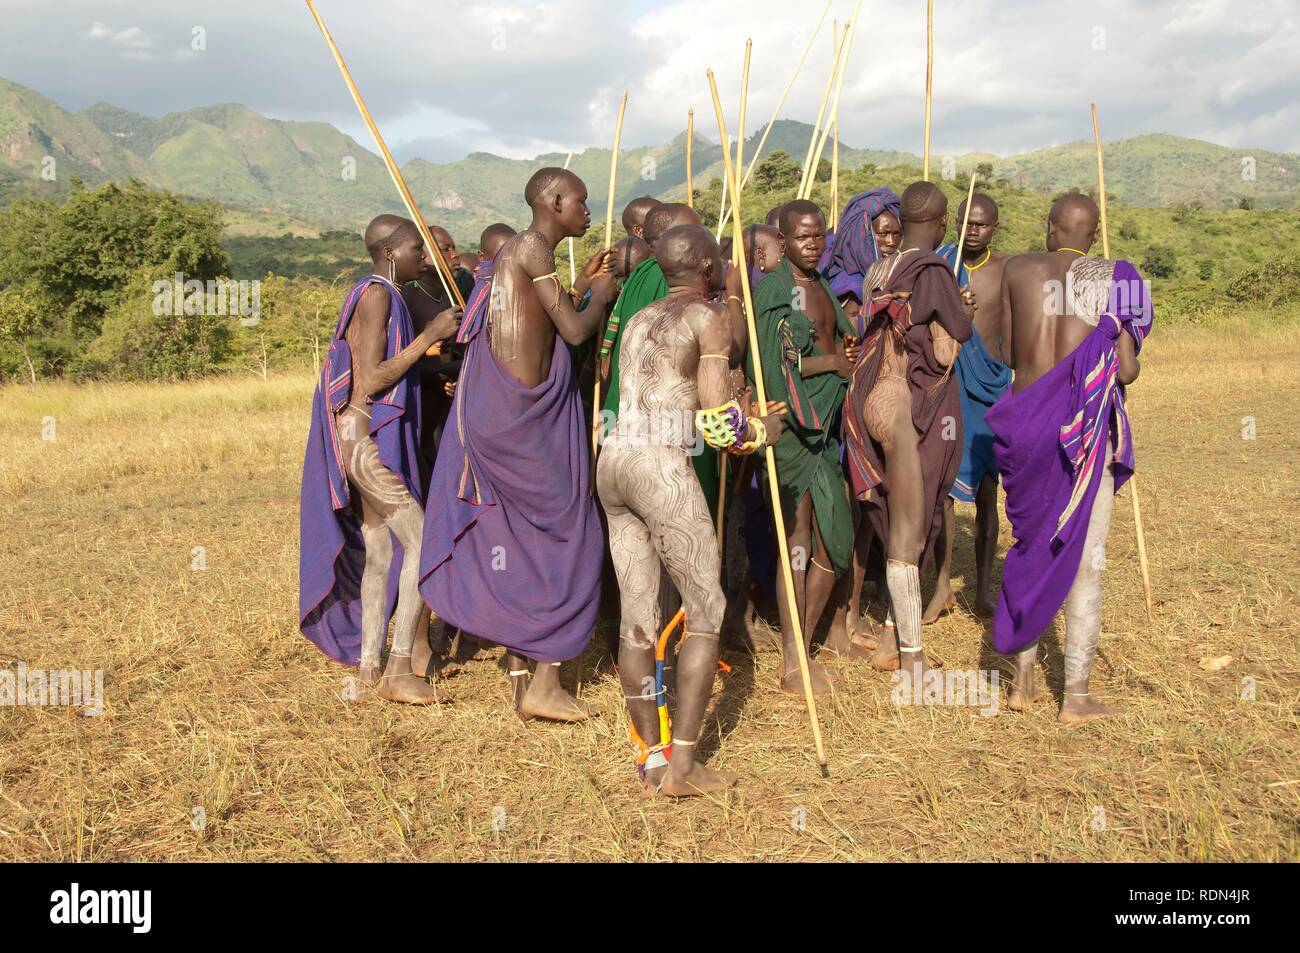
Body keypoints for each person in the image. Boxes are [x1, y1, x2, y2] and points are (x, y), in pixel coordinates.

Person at [419, 169, 617, 721]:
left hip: (506, 417)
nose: (587, 210)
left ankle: (520, 678)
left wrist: (581, 290)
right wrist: (601, 294)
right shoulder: (532, 246)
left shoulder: (518, 255)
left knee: (515, 536)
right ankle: (545, 681)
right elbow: (575, 333)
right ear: (553, 201)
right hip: (522, 424)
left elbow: (542, 323)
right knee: (570, 535)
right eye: (580, 200)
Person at [598, 223, 785, 795]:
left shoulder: (638, 318)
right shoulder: (708, 318)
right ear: (709, 268)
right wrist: (762, 430)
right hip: (659, 468)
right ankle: (681, 767)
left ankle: (651, 759)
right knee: (705, 610)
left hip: (613, 462)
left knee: (638, 617)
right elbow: (718, 425)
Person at [990, 193, 1152, 723]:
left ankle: (1021, 681)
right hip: (1082, 436)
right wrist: (1110, 331)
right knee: (1086, 564)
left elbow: (1011, 352)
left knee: (1031, 544)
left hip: (1027, 426)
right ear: (1095, 232)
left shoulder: (1017, 269)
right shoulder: (1119, 279)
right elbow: (1125, 373)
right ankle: (1076, 697)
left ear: (1050, 228)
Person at [299, 214, 460, 703]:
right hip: (365, 442)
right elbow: (370, 379)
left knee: (382, 554)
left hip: (357, 440)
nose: (425, 257)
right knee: (423, 544)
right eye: (417, 249)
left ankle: (370, 672)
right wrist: (428, 334)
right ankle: (400, 670)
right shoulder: (377, 295)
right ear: (391, 252)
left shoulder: (373, 292)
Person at [842, 182, 972, 675]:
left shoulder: (880, 266)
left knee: (897, 516)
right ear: (941, 225)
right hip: (905, 407)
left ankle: (890, 640)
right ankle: (913, 660)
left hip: (870, 395)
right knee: (909, 530)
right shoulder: (934, 269)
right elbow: (953, 336)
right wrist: (965, 311)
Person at [748, 199, 859, 694]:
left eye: (819, 237)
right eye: (803, 237)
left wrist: (842, 356)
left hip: (827, 428)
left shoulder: (821, 285)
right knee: (796, 540)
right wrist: (832, 365)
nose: (813, 245)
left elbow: (827, 343)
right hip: (795, 430)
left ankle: (807, 642)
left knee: (834, 538)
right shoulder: (779, 291)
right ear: (784, 239)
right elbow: (775, 370)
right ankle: (794, 663)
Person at [928, 193, 1011, 620]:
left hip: (991, 386)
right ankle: (941, 584)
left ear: (995, 227)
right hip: (949, 381)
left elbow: (1014, 330)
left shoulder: (1006, 270)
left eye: (982, 224)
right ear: (957, 222)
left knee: (986, 492)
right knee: (942, 487)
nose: (973, 230)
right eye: (967, 222)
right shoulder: (942, 263)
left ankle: (981, 588)